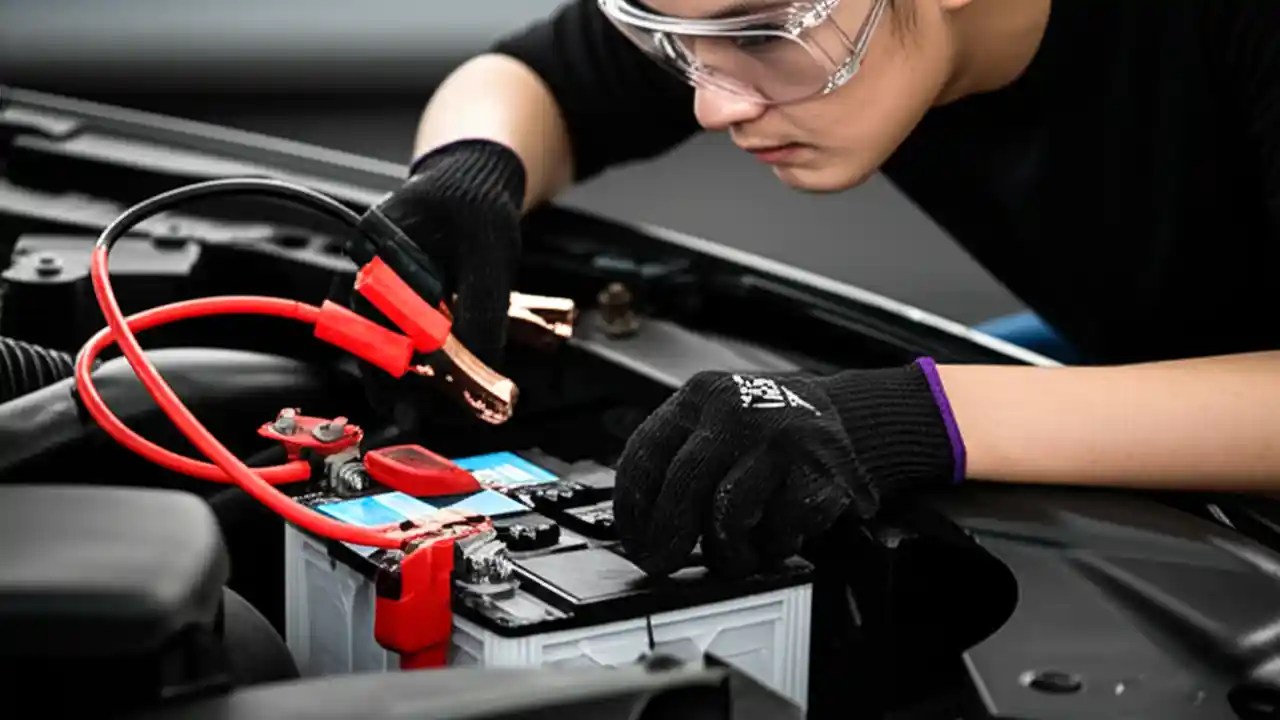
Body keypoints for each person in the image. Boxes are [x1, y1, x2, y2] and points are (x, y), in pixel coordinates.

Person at [361, 0, 1280, 579]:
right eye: (671, 40)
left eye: (759, 35)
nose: (713, 106)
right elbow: (533, 80)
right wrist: (472, 171)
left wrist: (910, 419)